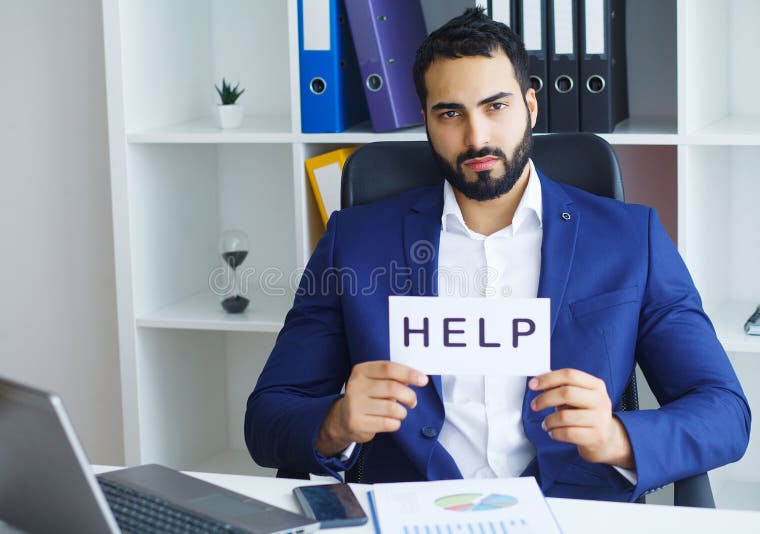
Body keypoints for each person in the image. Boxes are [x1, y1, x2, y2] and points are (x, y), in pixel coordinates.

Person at [244, 8, 750, 502]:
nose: (477, 137)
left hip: (571, 513)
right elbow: (267, 417)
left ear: (531, 105)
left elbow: (725, 411)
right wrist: (336, 423)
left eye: (496, 106)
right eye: (450, 113)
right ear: (425, 121)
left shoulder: (631, 238)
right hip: (412, 510)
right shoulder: (354, 242)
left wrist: (616, 438)